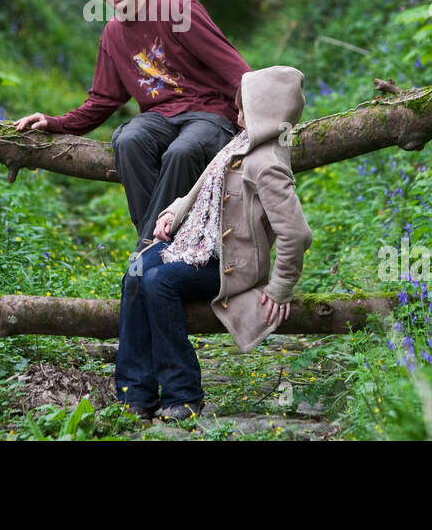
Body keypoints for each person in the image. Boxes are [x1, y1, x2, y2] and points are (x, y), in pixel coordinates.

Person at [114, 65, 312, 421]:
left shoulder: (267, 163)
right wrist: (174, 213)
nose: (236, 118)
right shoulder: (239, 145)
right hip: (198, 245)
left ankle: (183, 393)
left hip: (230, 264)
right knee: (137, 270)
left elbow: (296, 233)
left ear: (266, 110)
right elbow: (203, 185)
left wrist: (281, 286)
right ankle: (134, 393)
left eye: (243, 110)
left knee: (160, 282)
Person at [14, 0, 250, 245]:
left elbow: (233, 66)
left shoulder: (176, 8)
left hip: (210, 112)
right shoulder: (113, 34)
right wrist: (55, 122)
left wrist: (256, 114)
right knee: (128, 140)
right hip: (160, 117)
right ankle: (170, 243)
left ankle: (149, 248)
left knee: (182, 151)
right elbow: (103, 100)